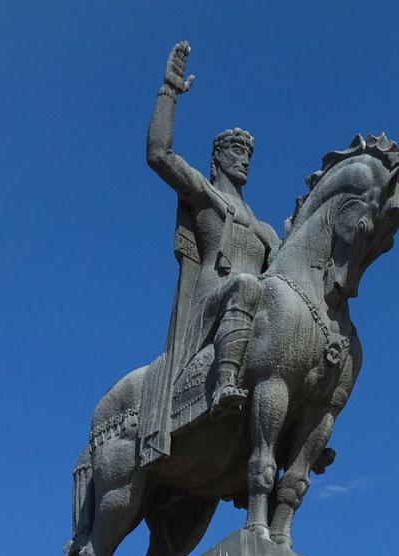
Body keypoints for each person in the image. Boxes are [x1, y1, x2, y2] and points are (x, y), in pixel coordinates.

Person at [138, 42, 280, 465]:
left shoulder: (265, 229)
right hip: (210, 298)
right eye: (237, 152)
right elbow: (158, 155)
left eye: (249, 154)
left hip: (248, 299)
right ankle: (222, 384)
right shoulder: (205, 195)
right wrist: (169, 90)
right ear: (218, 156)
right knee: (245, 282)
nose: (245, 161)